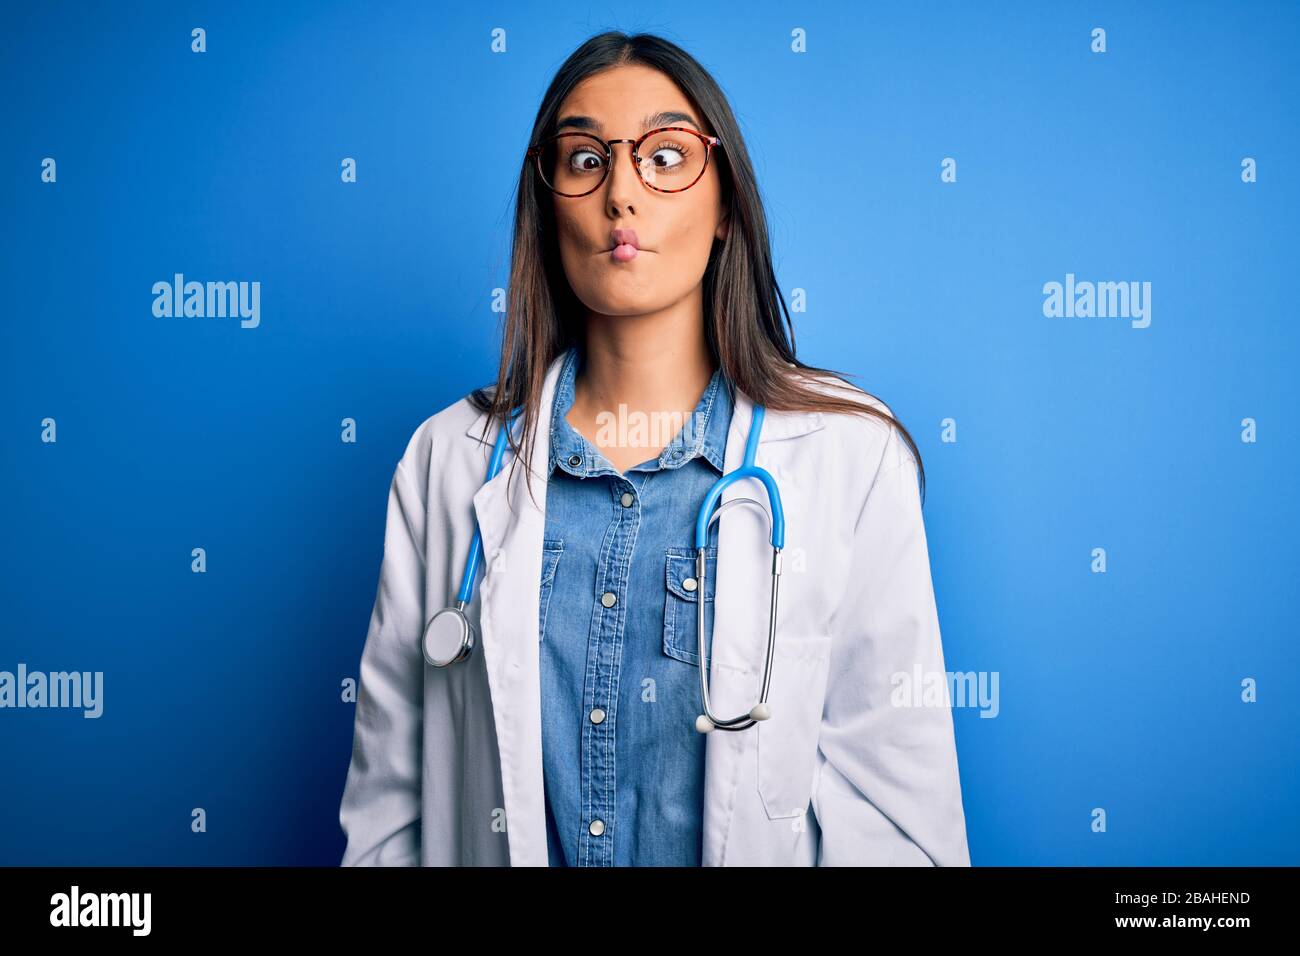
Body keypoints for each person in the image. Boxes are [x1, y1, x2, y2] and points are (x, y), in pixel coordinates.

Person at [339, 30, 971, 867]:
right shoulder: (448, 459)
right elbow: (390, 821)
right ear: (548, 200)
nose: (621, 194)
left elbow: (898, 826)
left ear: (726, 211)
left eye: (666, 157)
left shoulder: (850, 458)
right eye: (585, 158)